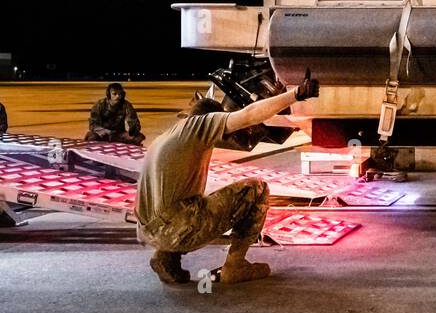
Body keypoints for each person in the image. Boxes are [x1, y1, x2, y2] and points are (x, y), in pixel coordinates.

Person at [134, 71, 319, 286]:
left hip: (148, 230)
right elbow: (249, 115)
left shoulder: (168, 137)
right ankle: (235, 265)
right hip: (174, 229)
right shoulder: (201, 125)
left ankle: (165, 257)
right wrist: (296, 94)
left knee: (190, 201)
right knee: (255, 190)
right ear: (211, 118)